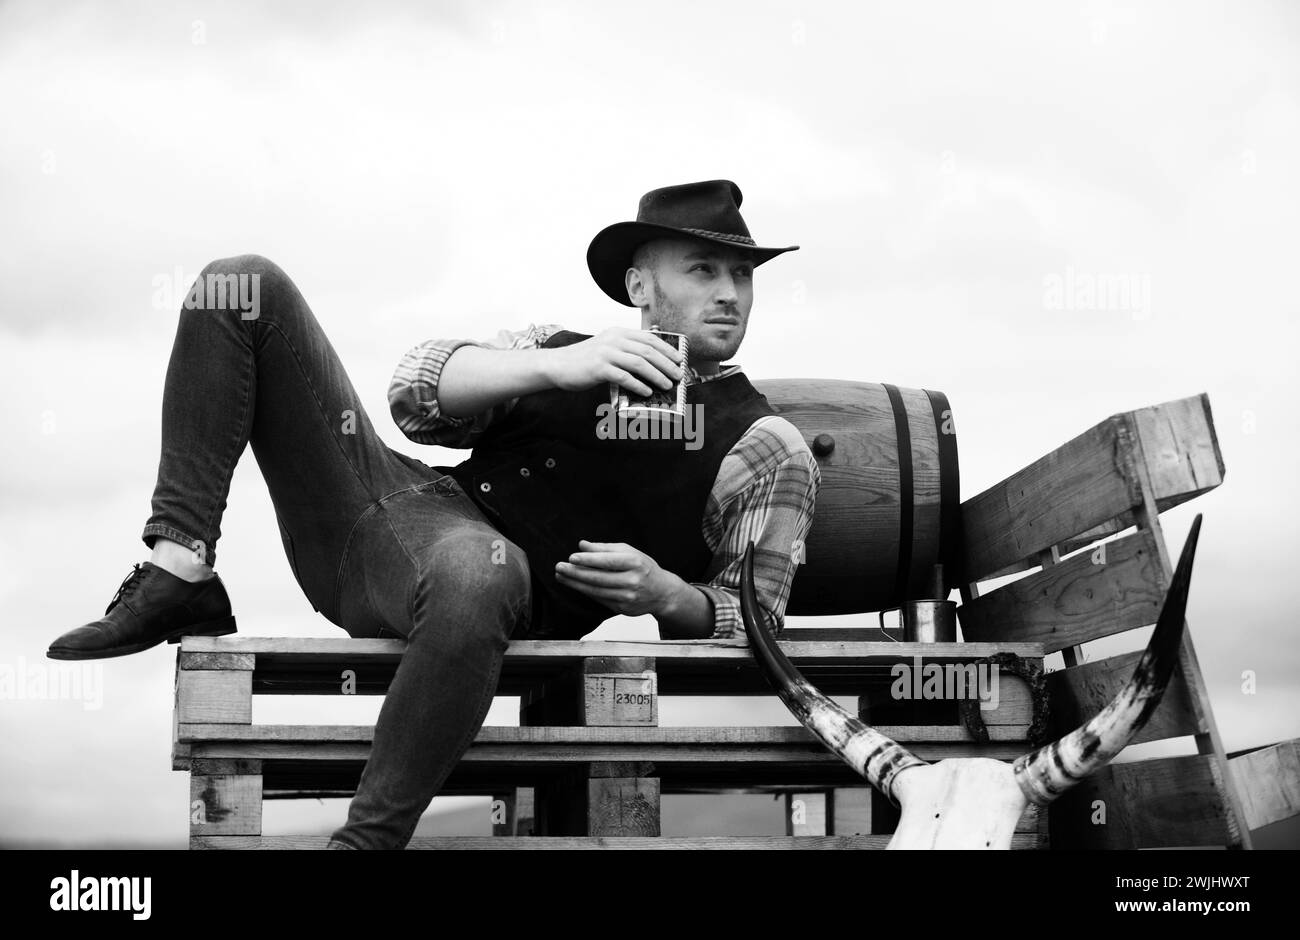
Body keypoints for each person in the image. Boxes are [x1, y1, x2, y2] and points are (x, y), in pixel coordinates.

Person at [46, 178, 820, 849]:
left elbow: (756, 624)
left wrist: (665, 595)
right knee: (240, 282)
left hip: (484, 589)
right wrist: (554, 365)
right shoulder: (555, 348)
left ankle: (365, 841)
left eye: (743, 274)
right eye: (704, 269)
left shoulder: (762, 443)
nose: (729, 292)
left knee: (477, 568)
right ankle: (179, 567)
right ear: (640, 286)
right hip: (380, 515)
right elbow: (413, 400)